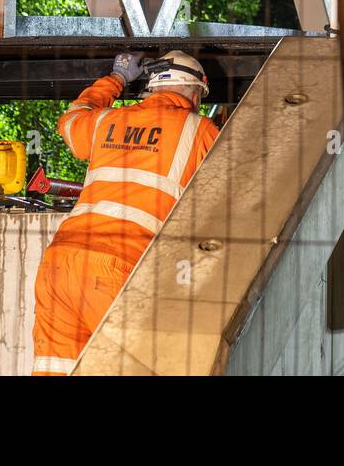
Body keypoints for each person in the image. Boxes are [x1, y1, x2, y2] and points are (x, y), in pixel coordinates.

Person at [30, 50, 218, 376]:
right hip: (121, 266)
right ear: (193, 90)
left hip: (61, 263)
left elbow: (71, 121)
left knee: (57, 368)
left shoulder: (108, 120)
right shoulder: (200, 131)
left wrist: (116, 78)